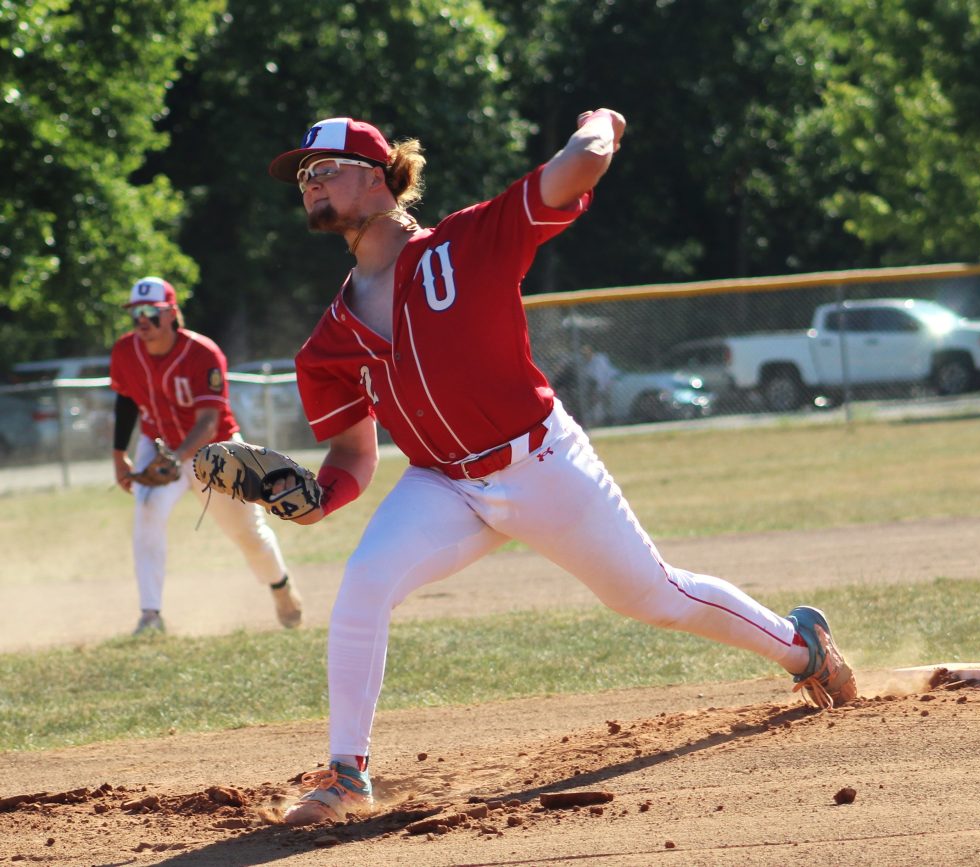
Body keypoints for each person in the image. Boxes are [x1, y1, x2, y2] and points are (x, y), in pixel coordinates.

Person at [263, 111, 857, 825]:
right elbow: (354, 456)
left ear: (376, 173)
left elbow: (573, 172)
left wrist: (598, 126)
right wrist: (314, 500)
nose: (309, 185)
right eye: (303, 176)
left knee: (653, 596)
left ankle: (803, 648)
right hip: (442, 482)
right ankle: (347, 773)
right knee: (363, 581)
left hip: (540, 461)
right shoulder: (326, 341)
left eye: (322, 168)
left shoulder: (466, 243)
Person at [110, 276, 303, 635]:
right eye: (136, 313)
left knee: (247, 533)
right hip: (160, 443)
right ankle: (150, 615)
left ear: (172, 313)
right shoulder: (125, 351)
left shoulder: (202, 353)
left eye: (152, 312)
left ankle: (280, 586)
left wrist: (179, 459)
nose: (143, 320)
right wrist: (119, 454)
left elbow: (209, 420)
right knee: (148, 511)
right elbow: (125, 399)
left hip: (216, 451)